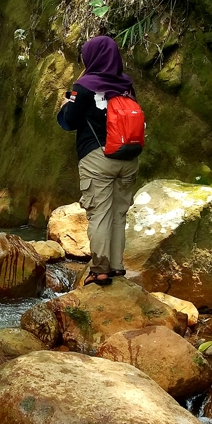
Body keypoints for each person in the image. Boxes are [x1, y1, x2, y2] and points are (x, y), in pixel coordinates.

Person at [58, 35, 141, 286]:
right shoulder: (126, 85)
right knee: (119, 213)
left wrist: (65, 104)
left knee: (100, 214)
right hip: (128, 158)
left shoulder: (83, 86)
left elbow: (69, 122)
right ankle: (116, 266)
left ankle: (100, 269)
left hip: (97, 158)